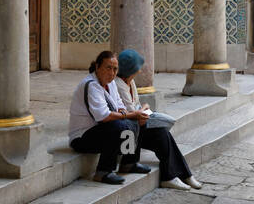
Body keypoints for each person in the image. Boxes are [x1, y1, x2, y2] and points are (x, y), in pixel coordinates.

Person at [113, 48, 202, 190]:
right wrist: (143, 108)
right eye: (138, 68)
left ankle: (181, 175)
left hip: (136, 125)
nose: (140, 70)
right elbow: (131, 112)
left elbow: (135, 107)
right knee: (161, 134)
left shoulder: (130, 82)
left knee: (163, 134)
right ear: (132, 69)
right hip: (128, 133)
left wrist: (142, 108)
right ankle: (174, 176)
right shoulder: (118, 85)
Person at [68, 51, 138, 185]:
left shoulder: (111, 83)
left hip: (100, 131)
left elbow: (119, 105)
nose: (111, 73)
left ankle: (129, 163)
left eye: (115, 69)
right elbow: (103, 116)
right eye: (108, 67)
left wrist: (128, 115)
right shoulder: (90, 85)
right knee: (118, 126)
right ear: (97, 67)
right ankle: (103, 172)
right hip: (81, 138)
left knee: (134, 122)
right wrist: (127, 115)